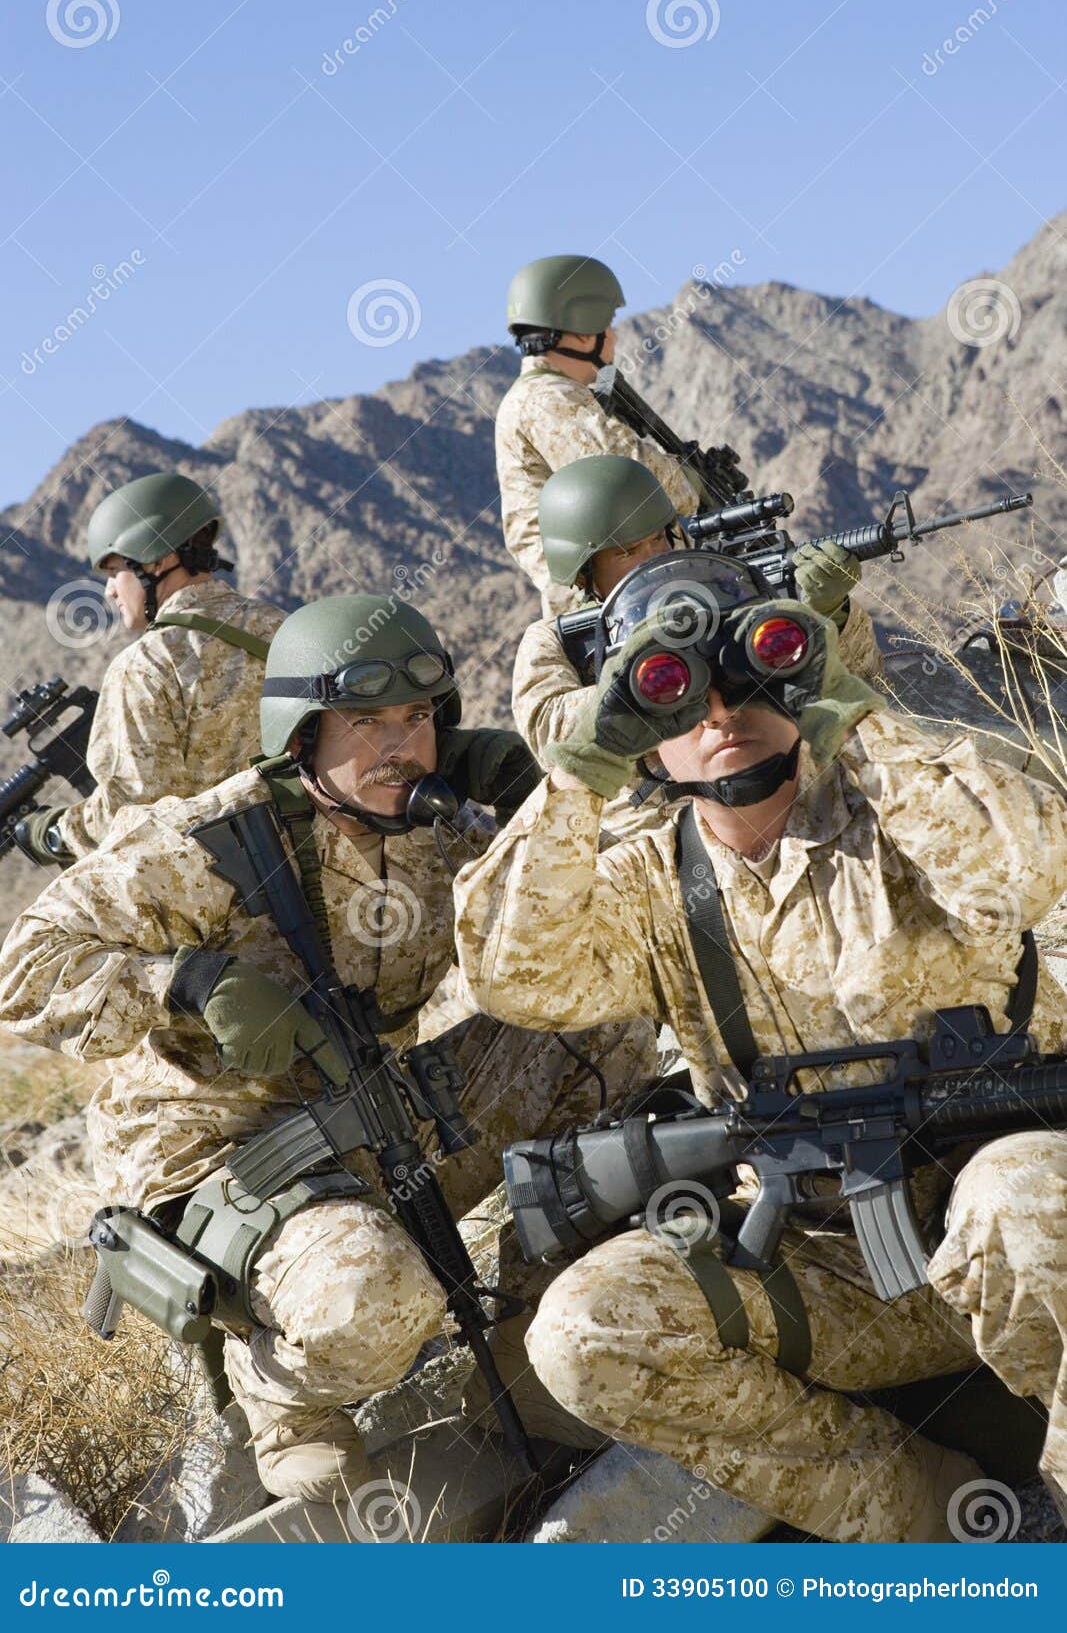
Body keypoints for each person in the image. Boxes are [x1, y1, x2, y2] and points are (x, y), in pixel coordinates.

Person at [453, 549, 1067, 1542]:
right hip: (830, 1264)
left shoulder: (900, 809)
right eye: (673, 695)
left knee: (1024, 1198)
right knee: (584, 1329)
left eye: (747, 677)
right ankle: (952, 1527)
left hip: (1008, 1228)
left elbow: (1023, 866)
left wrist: (847, 706)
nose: (715, 713)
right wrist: (585, 764)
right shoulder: (654, 881)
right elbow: (509, 968)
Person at [0, 595, 655, 1501]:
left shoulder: (437, 821)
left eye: (418, 718)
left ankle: (523, 1347)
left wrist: (541, 794)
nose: (400, 745)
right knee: (376, 1306)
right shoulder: (210, 841)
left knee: (603, 1030)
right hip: (227, 1155)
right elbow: (25, 969)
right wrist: (187, 984)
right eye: (366, 722)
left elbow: (623, 875)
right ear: (302, 735)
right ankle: (281, 1395)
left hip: (374, 1111)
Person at [513, 454, 882, 842]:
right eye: (627, 551)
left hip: (787, 800)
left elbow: (866, 677)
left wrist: (828, 615)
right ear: (584, 570)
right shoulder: (554, 640)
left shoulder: (728, 588)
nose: (653, 557)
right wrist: (658, 676)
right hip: (647, 835)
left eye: (658, 538)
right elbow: (548, 733)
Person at [12, 472, 284, 865]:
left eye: (113, 572)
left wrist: (51, 833)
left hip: (224, 900)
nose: (108, 591)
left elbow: (135, 817)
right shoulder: (283, 627)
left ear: (155, 559)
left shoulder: (147, 665)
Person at [497, 254, 747, 615]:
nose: (614, 335)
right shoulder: (548, 399)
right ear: (584, 332)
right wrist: (694, 484)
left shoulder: (547, 396)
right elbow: (629, 477)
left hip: (619, 595)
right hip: (608, 603)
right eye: (607, 324)